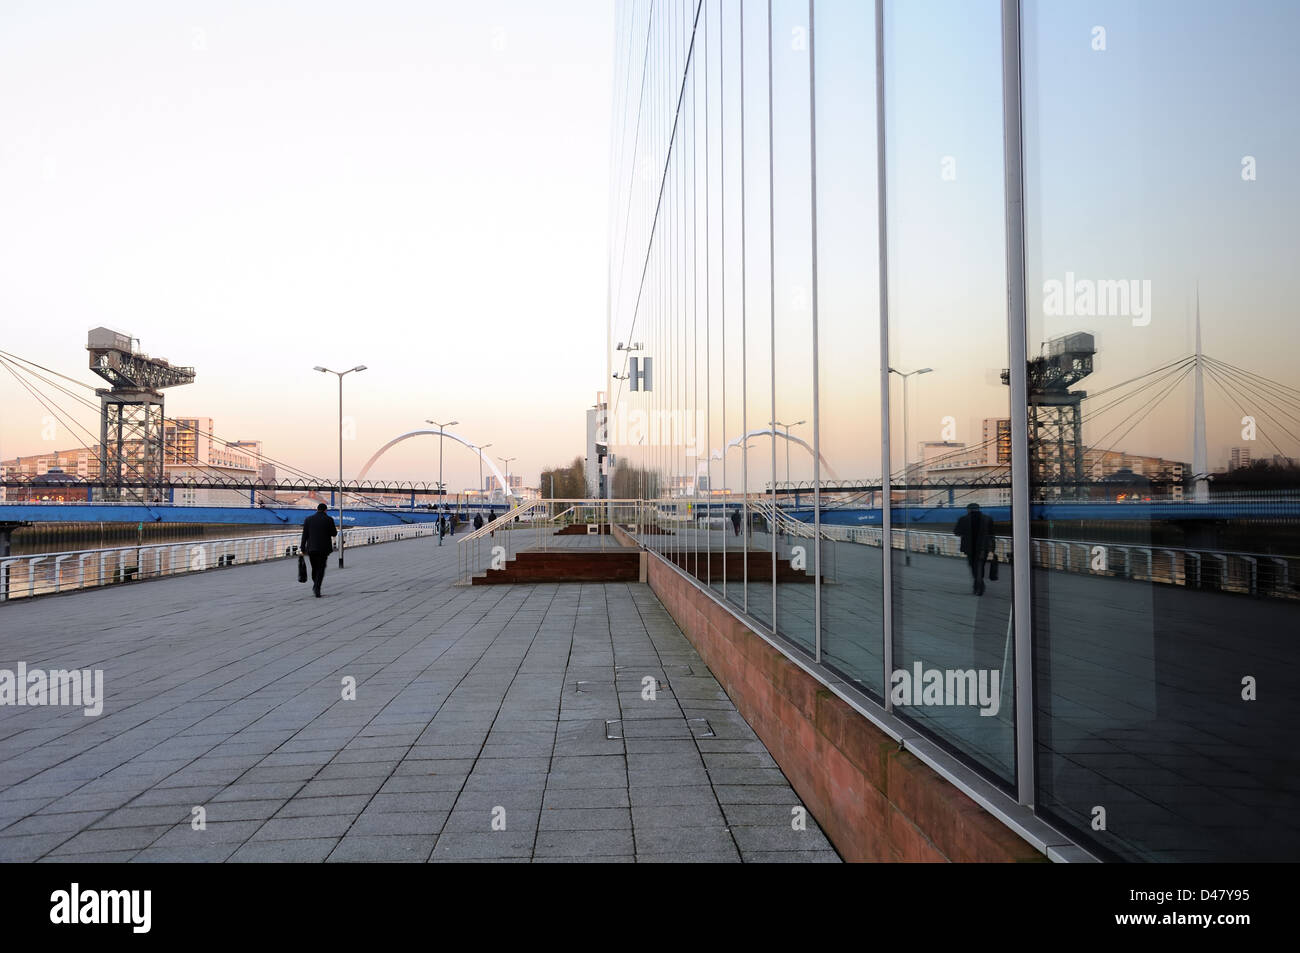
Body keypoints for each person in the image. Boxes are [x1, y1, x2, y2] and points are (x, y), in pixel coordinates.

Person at [953, 502, 994, 596]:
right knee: (980, 566)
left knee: (974, 567)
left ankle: (979, 586)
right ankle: (979, 585)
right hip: (983, 548)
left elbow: (956, 532)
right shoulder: (988, 519)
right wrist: (992, 548)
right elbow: (991, 534)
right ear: (978, 509)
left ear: (968, 510)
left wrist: (965, 533)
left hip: (970, 548)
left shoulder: (963, 519)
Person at [300, 503, 337, 597]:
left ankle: (315, 584)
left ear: (317, 509)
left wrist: (302, 548)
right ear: (325, 510)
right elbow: (334, 533)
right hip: (324, 549)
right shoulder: (329, 519)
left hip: (311, 548)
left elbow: (305, 535)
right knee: (321, 568)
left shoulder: (308, 519)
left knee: (314, 568)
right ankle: (317, 587)